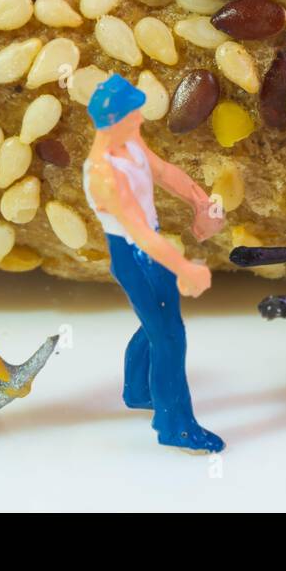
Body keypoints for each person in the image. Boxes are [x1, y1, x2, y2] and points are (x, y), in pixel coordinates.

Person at [83, 75, 226, 453]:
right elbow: (137, 231)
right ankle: (175, 425)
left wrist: (199, 200)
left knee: (157, 326)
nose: (141, 120)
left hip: (150, 247)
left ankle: (138, 390)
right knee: (169, 337)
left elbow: (162, 172)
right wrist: (186, 268)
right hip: (132, 253)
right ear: (114, 120)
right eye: (134, 115)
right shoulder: (103, 173)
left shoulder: (129, 143)